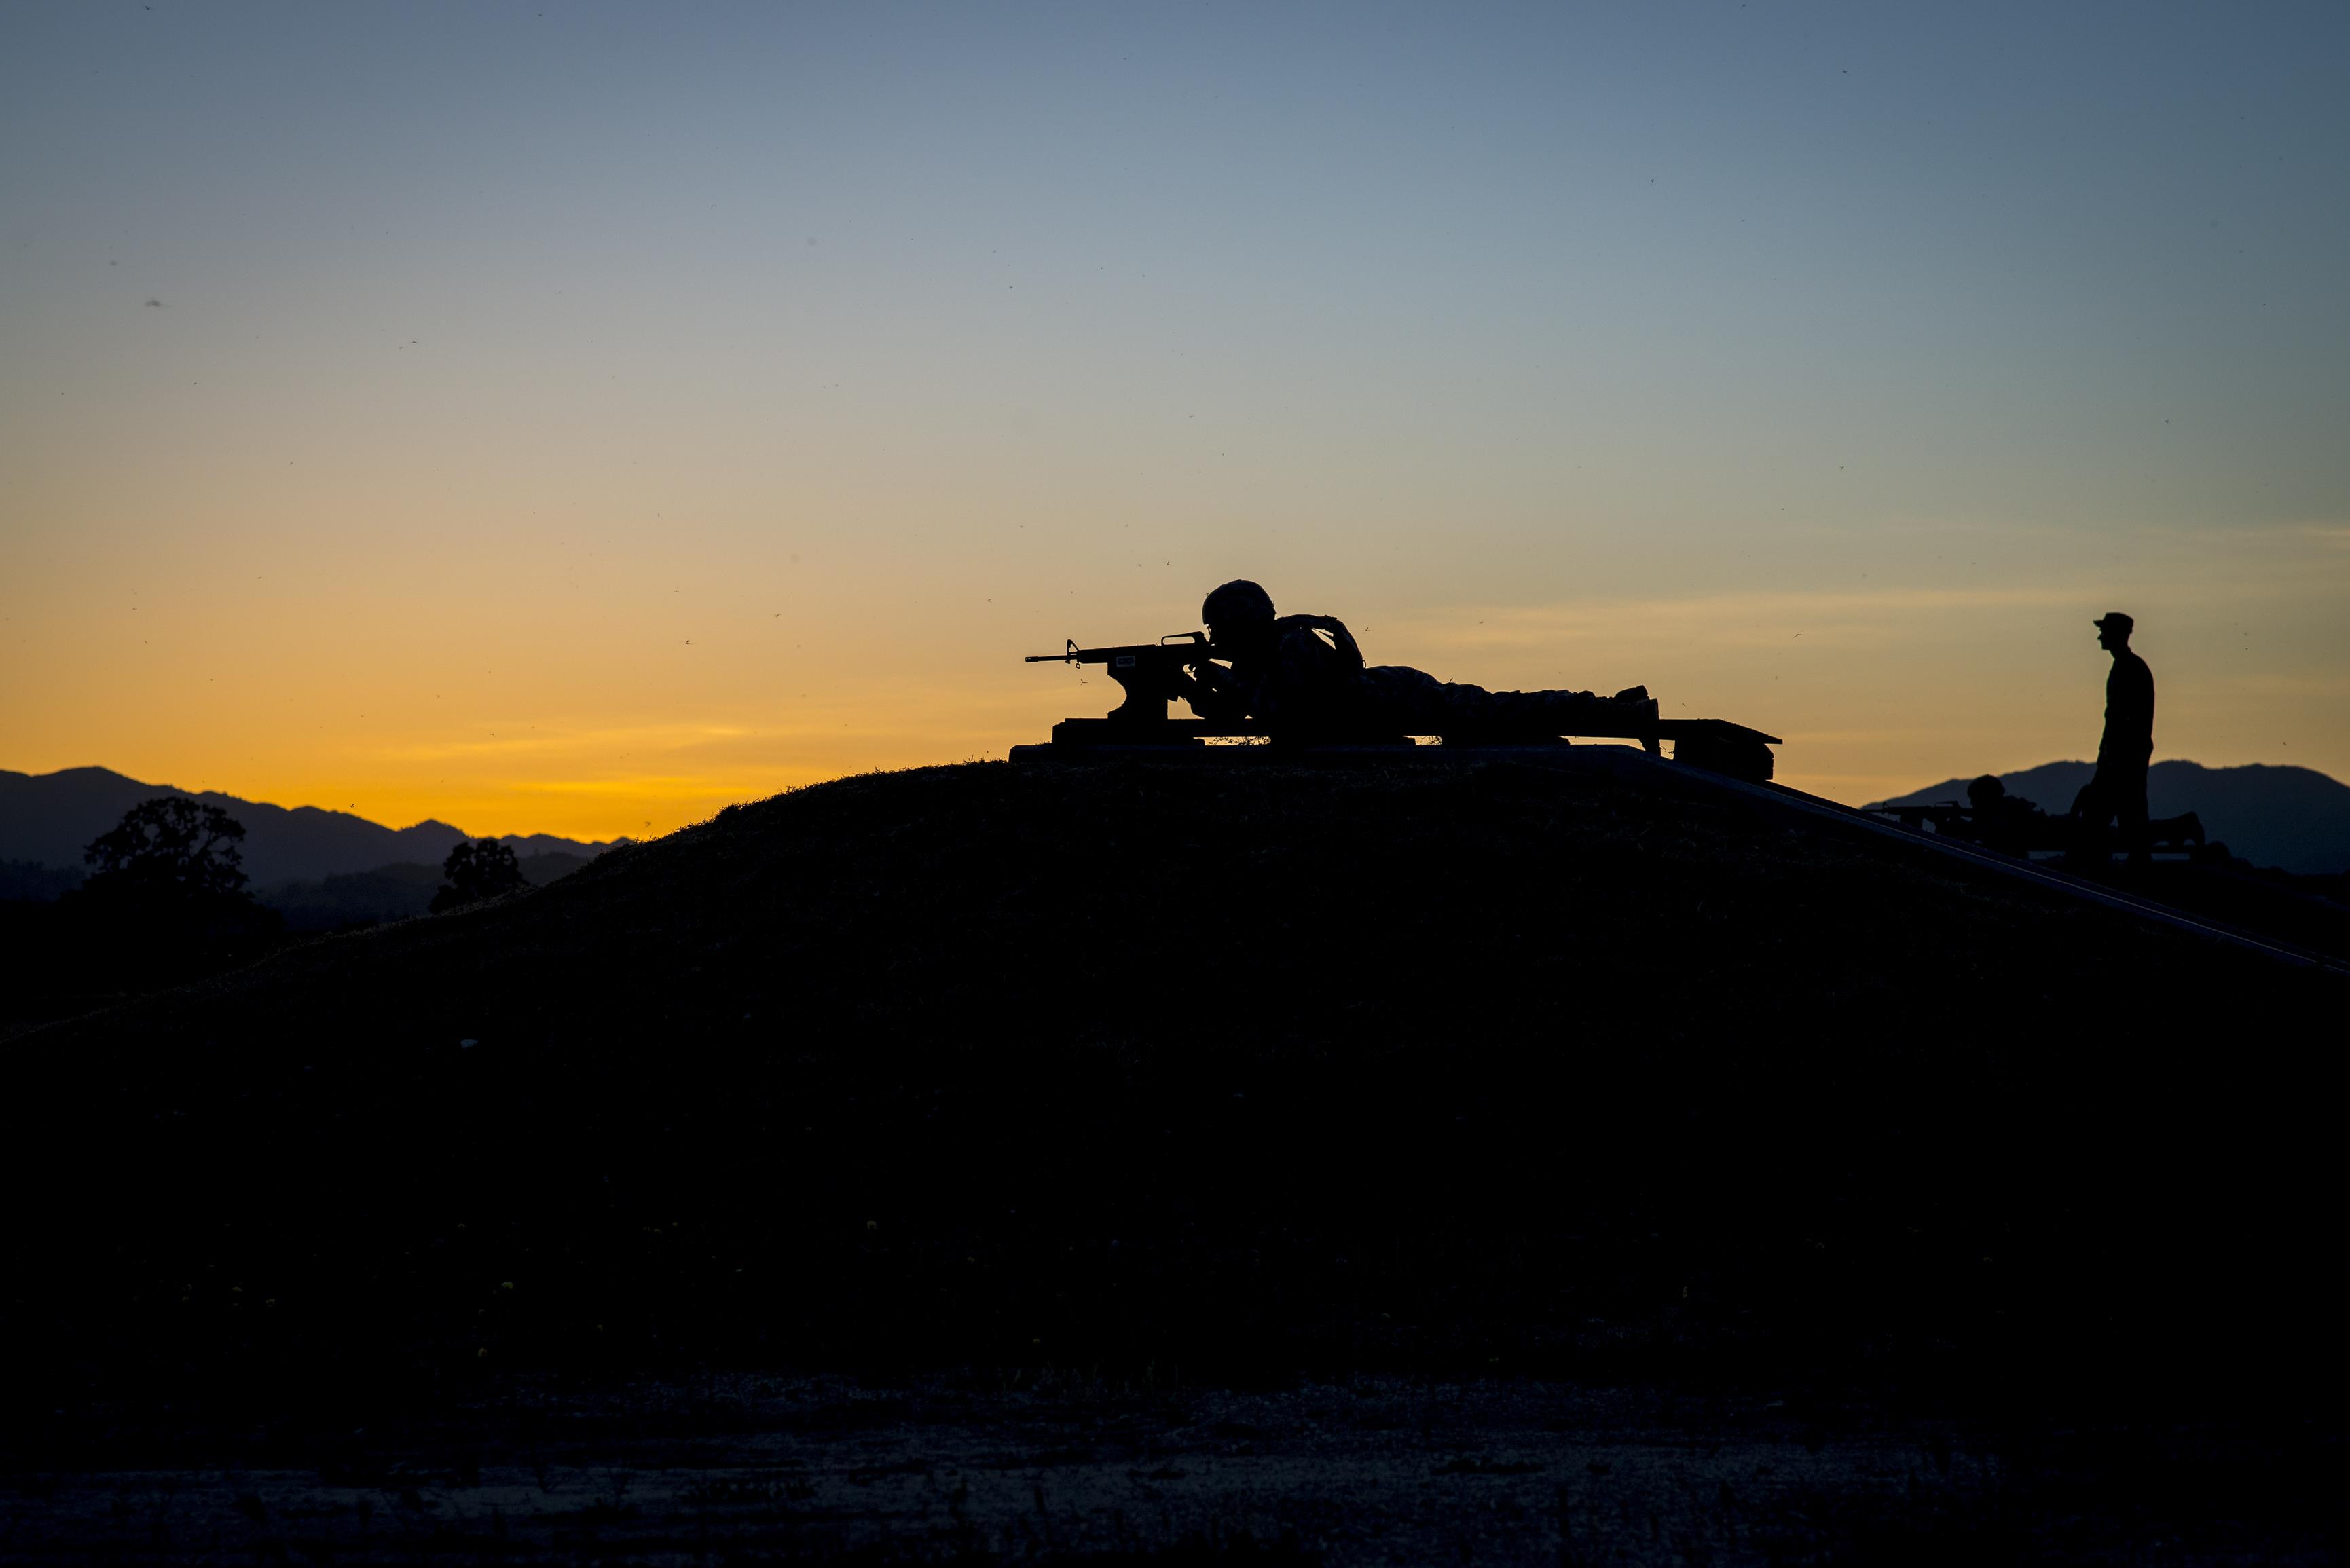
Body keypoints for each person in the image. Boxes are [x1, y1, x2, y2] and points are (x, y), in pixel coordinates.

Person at [1179, 579, 1658, 745]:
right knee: (1498, 717)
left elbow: (1289, 719)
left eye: (1217, 628)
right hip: (1382, 703)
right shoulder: (1254, 657)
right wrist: (1203, 694)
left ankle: (1621, 713)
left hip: (1397, 697)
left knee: (1501, 710)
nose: (1213, 638)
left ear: (1241, 623)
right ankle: (1615, 710)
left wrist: (1227, 682)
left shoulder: (1291, 645)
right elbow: (1244, 712)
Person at [2068, 612, 2155, 870]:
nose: (2099, 637)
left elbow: (2120, 719)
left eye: (2104, 632)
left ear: (2118, 635)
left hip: (2123, 758)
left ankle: (2095, 869)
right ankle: (2129, 866)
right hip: (2125, 756)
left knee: (2103, 814)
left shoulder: (2128, 669)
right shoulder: (2129, 667)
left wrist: (2110, 756)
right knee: (2129, 814)